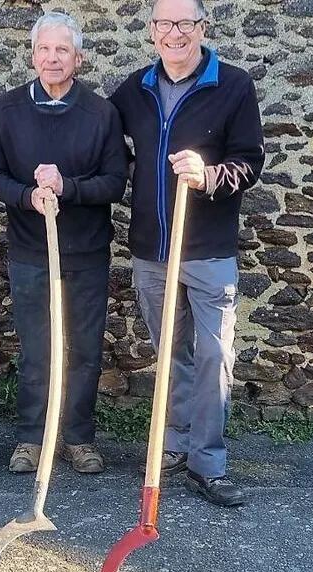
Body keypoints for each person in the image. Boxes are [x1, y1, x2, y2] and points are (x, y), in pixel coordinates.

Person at [110, 0, 265, 506]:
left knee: (214, 356)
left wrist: (209, 176)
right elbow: (106, 146)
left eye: (185, 23)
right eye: (164, 23)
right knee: (170, 353)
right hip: (151, 250)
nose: (174, 32)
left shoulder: (233, 86)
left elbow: (249, 161)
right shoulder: (134, 90)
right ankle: (172, 446)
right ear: (152, 30)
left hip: (207, 250)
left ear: (202, 28)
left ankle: (209, 462)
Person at [0, 12, 128, 475]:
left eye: (62, 50)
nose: (52, 58)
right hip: (30, 252)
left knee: (84, 349)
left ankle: (79, 437)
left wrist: (67, 188)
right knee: (37, 348)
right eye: (44, 50)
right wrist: (28, 196)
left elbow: (114, 183)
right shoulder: (6, 110)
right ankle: (32, 436)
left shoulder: (101, 113)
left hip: (85, 253)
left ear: (78, 58)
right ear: (32, 55)